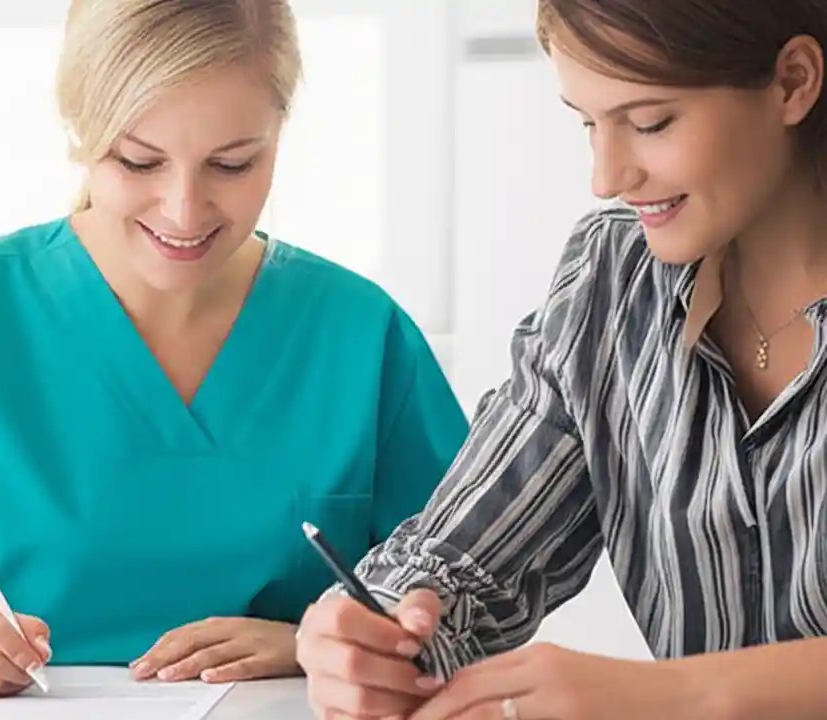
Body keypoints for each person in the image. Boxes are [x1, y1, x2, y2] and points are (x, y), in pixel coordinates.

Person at [0, 0, 468, 700]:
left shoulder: (360, 332)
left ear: (279, 134)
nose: (184, 210)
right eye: (139, 161)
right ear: (80, 133)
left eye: (232, 164)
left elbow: (464, 605)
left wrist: (314, 641)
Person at [296, 0, 827, 718]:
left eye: (649, 123)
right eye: (587, 123)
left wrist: (679, 696)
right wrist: (377, 633)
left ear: (793, 81)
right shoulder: (611, 282)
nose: (606, 177)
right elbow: (464, 558)